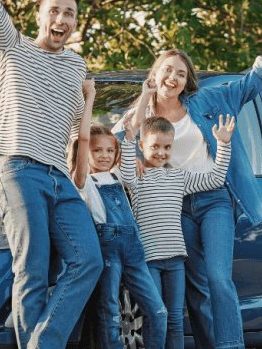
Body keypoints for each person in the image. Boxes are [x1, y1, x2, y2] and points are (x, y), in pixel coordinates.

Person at [117, 16, 262, 349]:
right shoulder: (139, 115)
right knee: (196, 287)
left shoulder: (206, 102)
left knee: (217, 277)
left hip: (213, 198)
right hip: (175, 207)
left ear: (187, 83)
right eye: (167, 70)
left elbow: (250, 84)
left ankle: (230, 345)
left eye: (181, 74)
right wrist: (143, 101)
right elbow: (117, 144)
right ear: (155, 75)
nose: (173, 77)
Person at [0, 0, 102, 349]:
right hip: (15, 166)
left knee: (89, 259)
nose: (62, 20)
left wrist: (90, 102)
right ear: (39, 16)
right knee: (31, 264)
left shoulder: (76, 65)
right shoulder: (12, 48)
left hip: (58, 177)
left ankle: (41, 344)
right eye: (54, 11)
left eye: (69, 13)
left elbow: (73, 132)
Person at [120, 85, 236, 349]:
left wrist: (223, 143)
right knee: (155, 316)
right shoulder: (136, 178)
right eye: (155, 146)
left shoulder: (179, 178)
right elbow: (127, 159)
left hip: (175, 262)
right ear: (142, 146)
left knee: (174, 319)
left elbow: (216, 178)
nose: (161, 152)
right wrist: (131, 131)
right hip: (148, 260)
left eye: (167, 147)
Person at [69, 79, 167, 349]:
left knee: (158, 311)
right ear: (84, 152)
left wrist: (147, 93)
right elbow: (83, 135)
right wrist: (89, 98)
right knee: (110, 311)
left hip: (134, 248)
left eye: (110, 151)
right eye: (97, 150)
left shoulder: (119, 175)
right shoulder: (83, 183)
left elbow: (132, 128)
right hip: (107, 249)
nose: (104, 155)